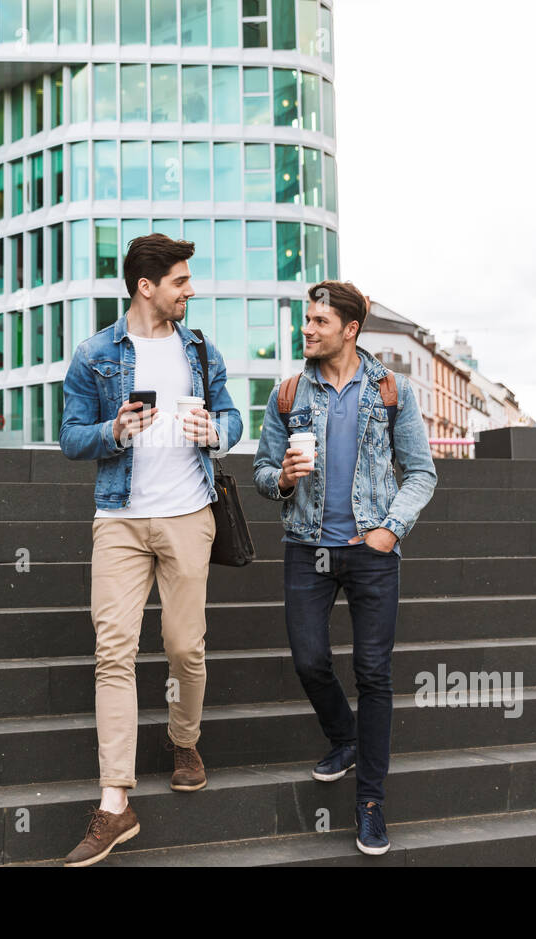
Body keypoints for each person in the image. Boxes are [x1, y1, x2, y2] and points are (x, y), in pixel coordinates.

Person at [58, 233, 244, 867]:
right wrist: (113, 430)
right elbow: (70, 437)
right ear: (147, 287)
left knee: (184, 647)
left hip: (190, 516)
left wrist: (215, 430)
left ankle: (184, 742)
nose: (190, 290)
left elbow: (233, 417)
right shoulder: (94, 354)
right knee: (114, 652)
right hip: (120, 519)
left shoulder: (200, 349)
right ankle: (115, 803)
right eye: (181, 281)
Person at [253, 280, 437, 856]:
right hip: (307, 547)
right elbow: (261, 472)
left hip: (370, 550)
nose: (307, 329)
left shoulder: (391, 391)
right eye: (306, 321)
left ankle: (371, 803)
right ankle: (344, 735)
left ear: (350, 329)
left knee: (374, 674)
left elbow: (422, 472)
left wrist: (389, 530)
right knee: (309, 660)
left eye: (319, 322)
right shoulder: (287, 394)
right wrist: (281, 478)